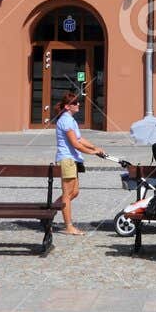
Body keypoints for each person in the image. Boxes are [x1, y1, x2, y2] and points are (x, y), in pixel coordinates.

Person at [54, 91, 106, 235]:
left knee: (74, 192)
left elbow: (79, 139)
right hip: (67, 159)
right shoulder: (65, 120)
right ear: (67, 106)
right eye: (75, 103)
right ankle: (69, 226)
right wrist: (92, 153)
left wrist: (95, 147)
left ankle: (50, 209)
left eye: (78, 102)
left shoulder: (71, 120)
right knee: (67, 194)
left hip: (73, 159)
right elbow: (75, 144)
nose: (78, 105)